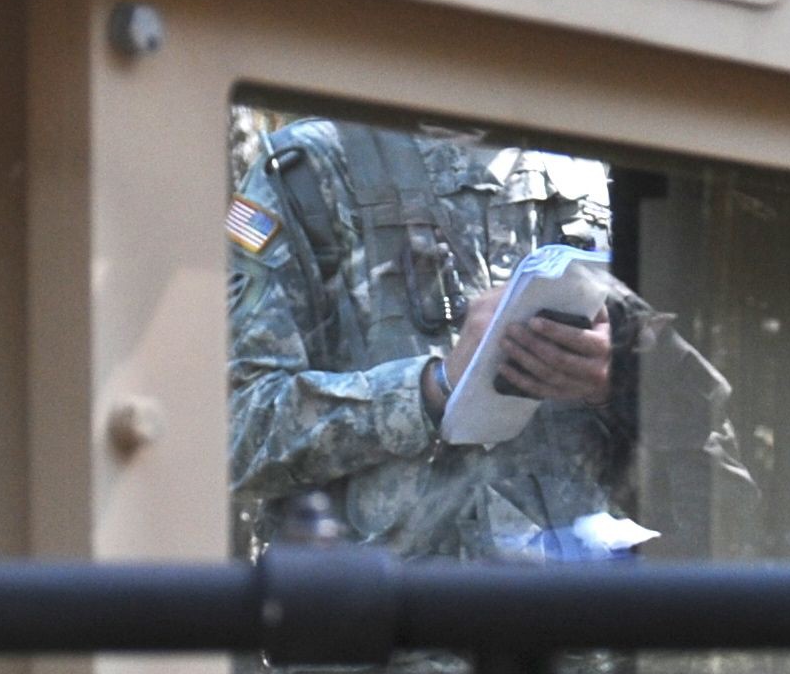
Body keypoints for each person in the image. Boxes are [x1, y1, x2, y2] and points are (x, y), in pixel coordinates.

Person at [227, 116, 628, 557]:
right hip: (379, 605)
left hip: (577, 602)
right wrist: (430, 389)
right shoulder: (305, 166)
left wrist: (617, 382)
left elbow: (700, 454)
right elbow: (230, 435)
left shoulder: (597, 171)